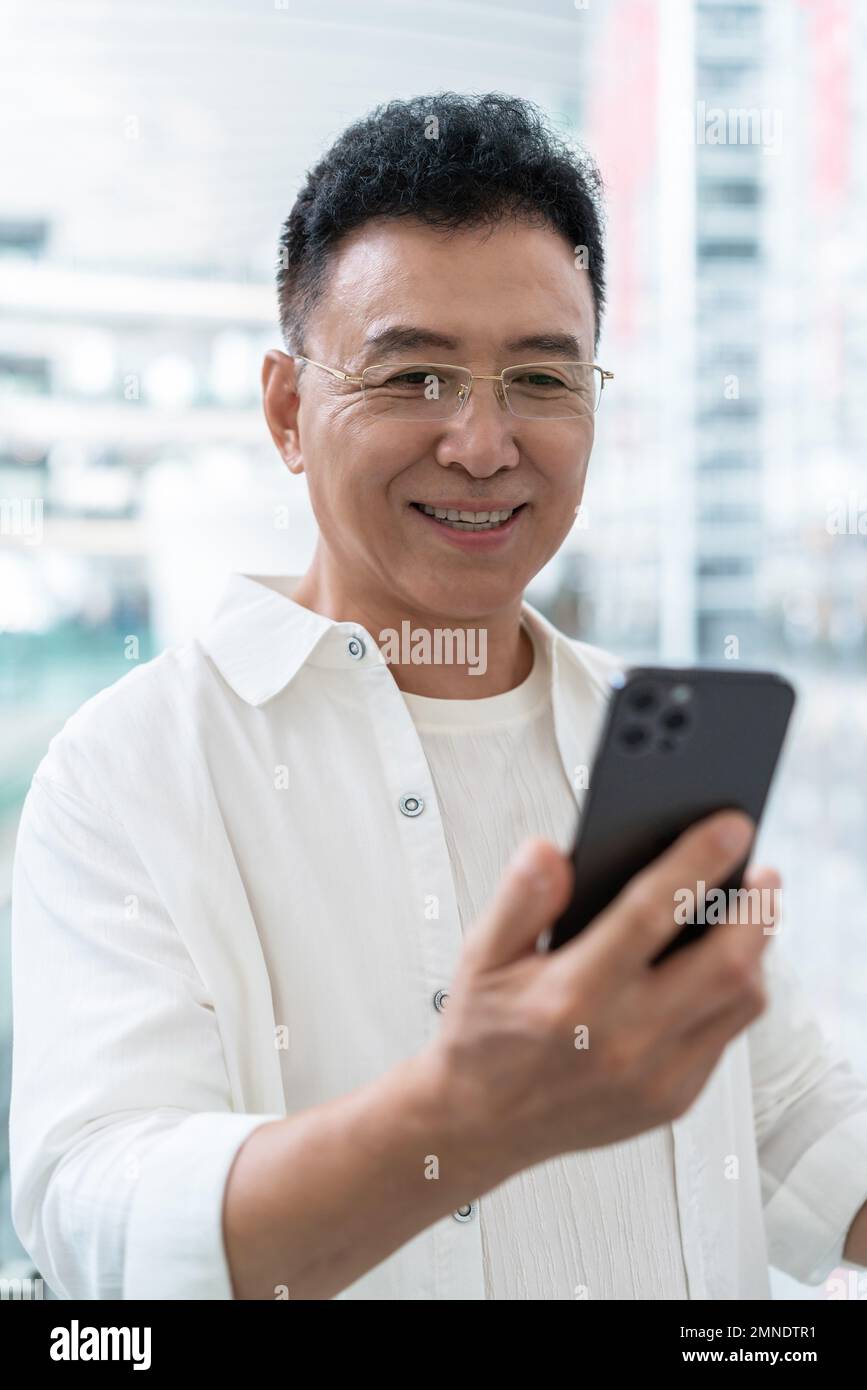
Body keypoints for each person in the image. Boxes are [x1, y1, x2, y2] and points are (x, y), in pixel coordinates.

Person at [10, 92, 867, 1301]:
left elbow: (781, 1109)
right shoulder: (132, 766)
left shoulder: (645, 735)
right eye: (413, 375)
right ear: (288, 411)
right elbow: (103, 1212)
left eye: (540, 379)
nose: (481, 442)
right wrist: (459, 1118)